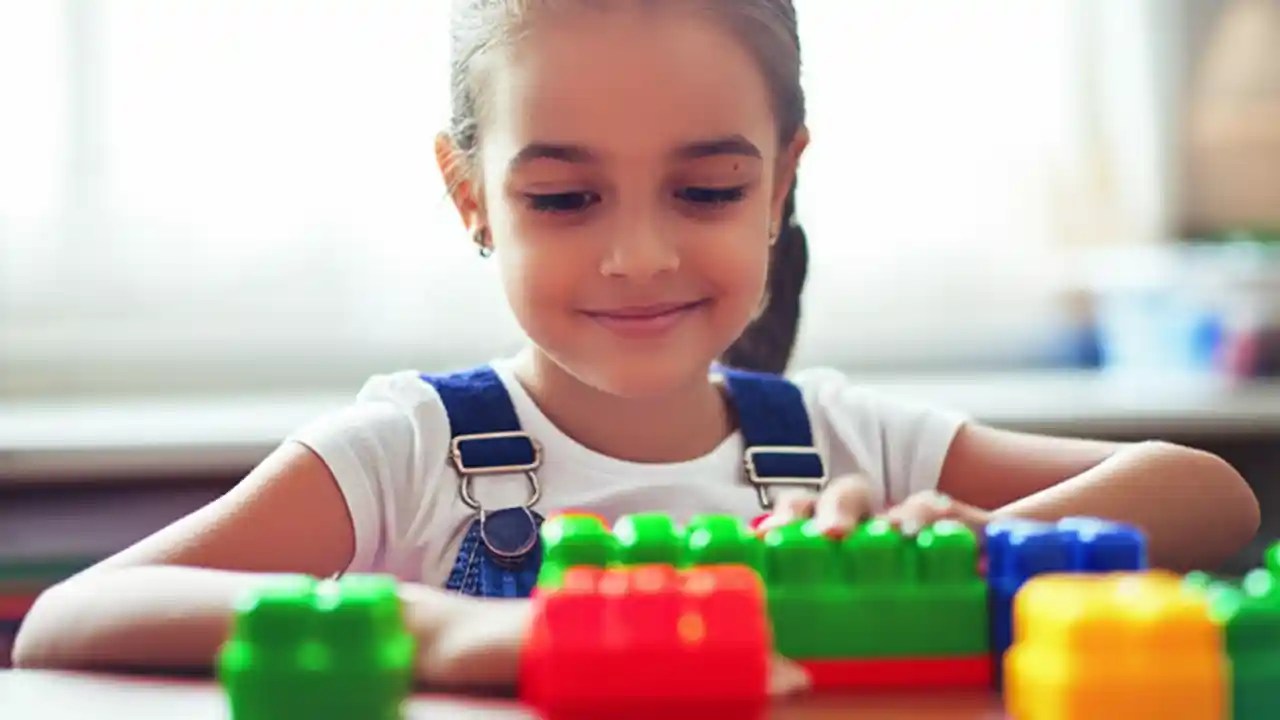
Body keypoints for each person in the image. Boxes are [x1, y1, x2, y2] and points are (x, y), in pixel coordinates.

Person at [13, 0, 1260, 695]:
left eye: (707, 191)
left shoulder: (839, 441)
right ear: (470, 199)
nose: (640, 258)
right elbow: (76, 617)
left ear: (779, 185)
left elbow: (1206, 495)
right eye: (563, 200)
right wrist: (442, 633)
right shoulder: (411, 452)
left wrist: (972, 550)